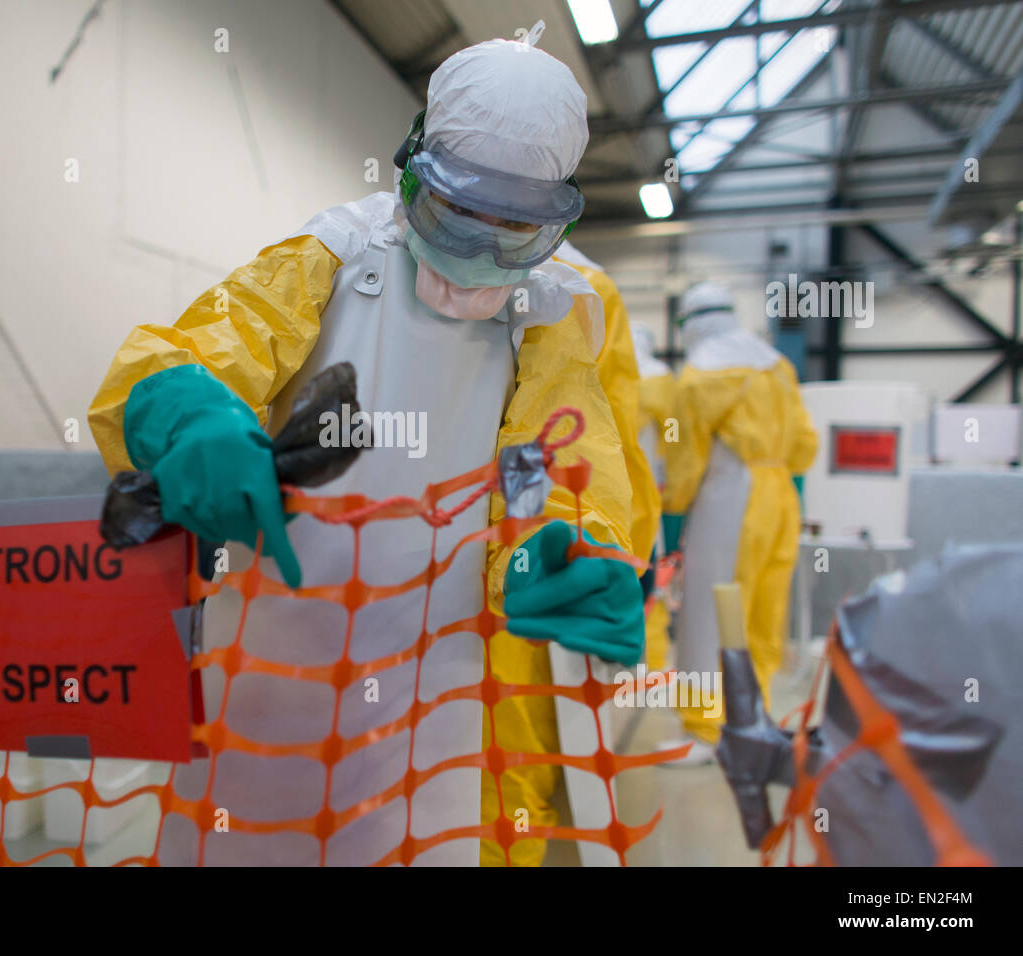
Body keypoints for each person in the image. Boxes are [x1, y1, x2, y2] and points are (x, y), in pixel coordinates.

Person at [88, 26, 644, 866]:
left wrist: (560, 543)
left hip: (452, 678)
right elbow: (186, 355)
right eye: (457, 212)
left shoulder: (558, 313)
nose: (475, 259)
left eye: (514, 231)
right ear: (412, 172)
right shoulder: (333, 256)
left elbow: (557, 454)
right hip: (279, 660)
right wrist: (188, 413)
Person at [660, 282, 818, 765]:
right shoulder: (778, 365)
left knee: (712, 612)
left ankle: (705, 730)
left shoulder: (699, 374)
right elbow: (805, 444)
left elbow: (685, 456)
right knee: (763, 612)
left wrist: (673, 505)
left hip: (728, 496)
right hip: (779, 494)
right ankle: (753, 719)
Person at [629, 321, 675, 675]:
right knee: (650, 571)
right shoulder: (660, 379)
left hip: (604, 487)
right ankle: (650, 666)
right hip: (646, 490)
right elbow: (673, 439)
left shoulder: (603, 369)